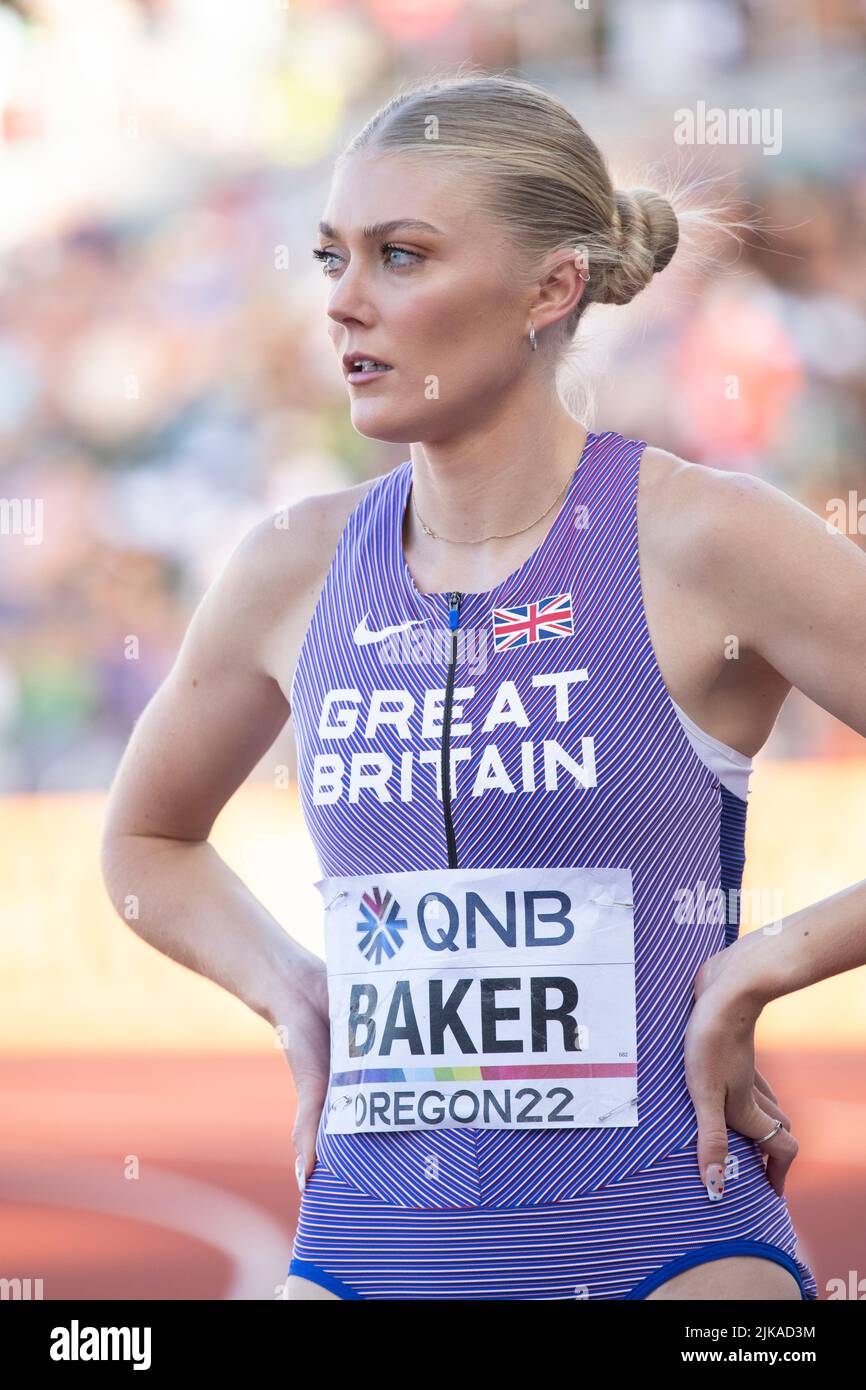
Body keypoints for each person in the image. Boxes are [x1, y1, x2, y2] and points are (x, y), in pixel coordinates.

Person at [100, 71, 866, 1302]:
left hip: (660, 1245)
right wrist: (293, 990)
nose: (343, 302)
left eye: (399, 256)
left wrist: (764, 959)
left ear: (549, 288)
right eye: (328, 256)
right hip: (363, 1244)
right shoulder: (289, 565)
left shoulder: (703, 539)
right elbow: (144, 839)